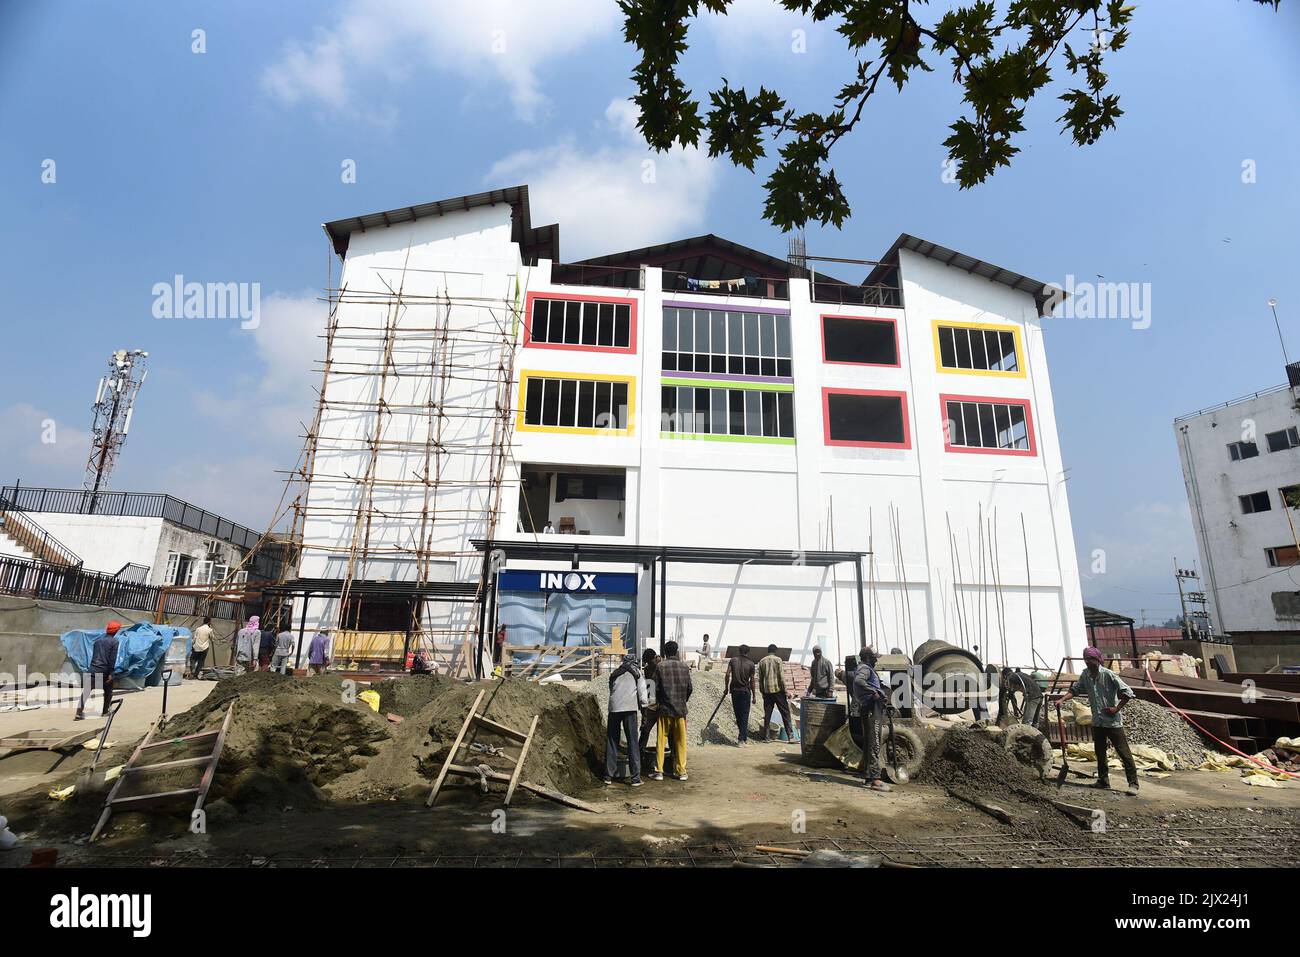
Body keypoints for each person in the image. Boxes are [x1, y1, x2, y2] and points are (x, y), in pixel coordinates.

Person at [1059, 645, 1140, 795]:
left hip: (1112, 722)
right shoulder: (1085, 675)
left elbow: (1128, 692)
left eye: (1090, 659)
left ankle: (1133, 784)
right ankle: (1103, 781)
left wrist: (1116, 708)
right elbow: (1075, 689)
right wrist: (1062, 699)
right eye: (1085, 659)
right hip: (1097, 722)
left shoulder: (1109, 675)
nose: (1087, 662)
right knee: (1100, 752)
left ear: (1098, 659)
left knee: (1124, 753)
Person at [604, 652, 649, 786]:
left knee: (612, 741)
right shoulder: (637, 672)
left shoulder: (615, 672)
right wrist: (644, 709)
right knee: (632, 742)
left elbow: (611, 689)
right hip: (629, 709)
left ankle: (608, 776)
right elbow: (642, 694)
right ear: (634, 661)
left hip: (614, 709)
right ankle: (635, 778)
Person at [651, 641, 692, 781]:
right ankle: (681, 771)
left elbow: (653, 688)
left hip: (664, 711)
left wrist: (655, 704)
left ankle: (659, 771)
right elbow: (689, 689)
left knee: (661, 741)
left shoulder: (660, 667)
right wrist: (681, 701)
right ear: (676, 651)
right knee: (681, 742)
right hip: (680, 712)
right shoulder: (685, 667)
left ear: (664, 652)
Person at [852, 646, 891, 791]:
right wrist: (873, 691)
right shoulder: (865, 669)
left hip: (869, 708)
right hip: (871, 708)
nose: (876, 660)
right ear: (868, 657)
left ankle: (869, 777)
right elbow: (858, 681)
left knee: (869, 743)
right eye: (874, 657)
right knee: (874, 742)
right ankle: (875, 779)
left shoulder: (863, 667)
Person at [75, 620, 121, 721]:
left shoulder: (98, 641)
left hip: (93, 668)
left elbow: (94, 656)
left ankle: (78, 713)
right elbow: (112, 659)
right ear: (116, 631)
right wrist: (111, 673)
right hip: (104, 670)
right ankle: (105, 711)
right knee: (108, 691)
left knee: (86, 691)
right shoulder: (114, 642)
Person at [757, 644, 792, 742]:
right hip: (778, 691)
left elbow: (760, 678)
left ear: (768, 651)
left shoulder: (762, 661)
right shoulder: (778, 660)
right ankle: (790, 736)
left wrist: (762, 691)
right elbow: (781, 677)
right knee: (785, 712)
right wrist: (785, 691)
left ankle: (767, 736)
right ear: (775, 651)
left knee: (767, 714)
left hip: (767, 692)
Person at [724, 644, 757, 745]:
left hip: (734, 691)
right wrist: (754, 695)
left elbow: (727, 674)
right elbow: (752, 681)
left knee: (738, 714)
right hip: (745, 691)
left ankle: (743, 736)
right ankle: (741, 739)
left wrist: (726, 688)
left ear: (739, 651)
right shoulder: (751, 664)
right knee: (744, 714)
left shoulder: (733, 660)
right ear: (747, 652)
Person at [638, 647, 660, 754]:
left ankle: (640, 753)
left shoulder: (646, 670)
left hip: (649, 704)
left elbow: (647, 687)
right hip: (659, 703)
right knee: (663, 733)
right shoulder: (659, 667)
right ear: (654, 657)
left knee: (645, 731)